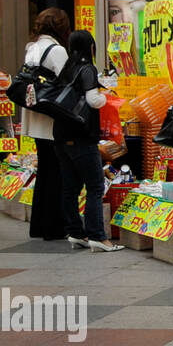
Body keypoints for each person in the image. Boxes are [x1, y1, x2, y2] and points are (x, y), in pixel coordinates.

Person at [53, 31, 122, 252]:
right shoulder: (87, 69)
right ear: (90, 47)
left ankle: (76, 233)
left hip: (61, 135)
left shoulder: (66, 69)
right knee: (94, 185)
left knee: (70, 187)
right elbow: (93, 100)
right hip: (82, 135)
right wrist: (108, 98)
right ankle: (97, 237)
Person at [21, 8, 71, 241]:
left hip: (35, 116)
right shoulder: (57, 50)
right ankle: (54, 226)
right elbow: (68, 82)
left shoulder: (32, 48)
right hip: (52, 118)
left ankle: (39, 224)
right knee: (56, 171)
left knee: (45, 170)